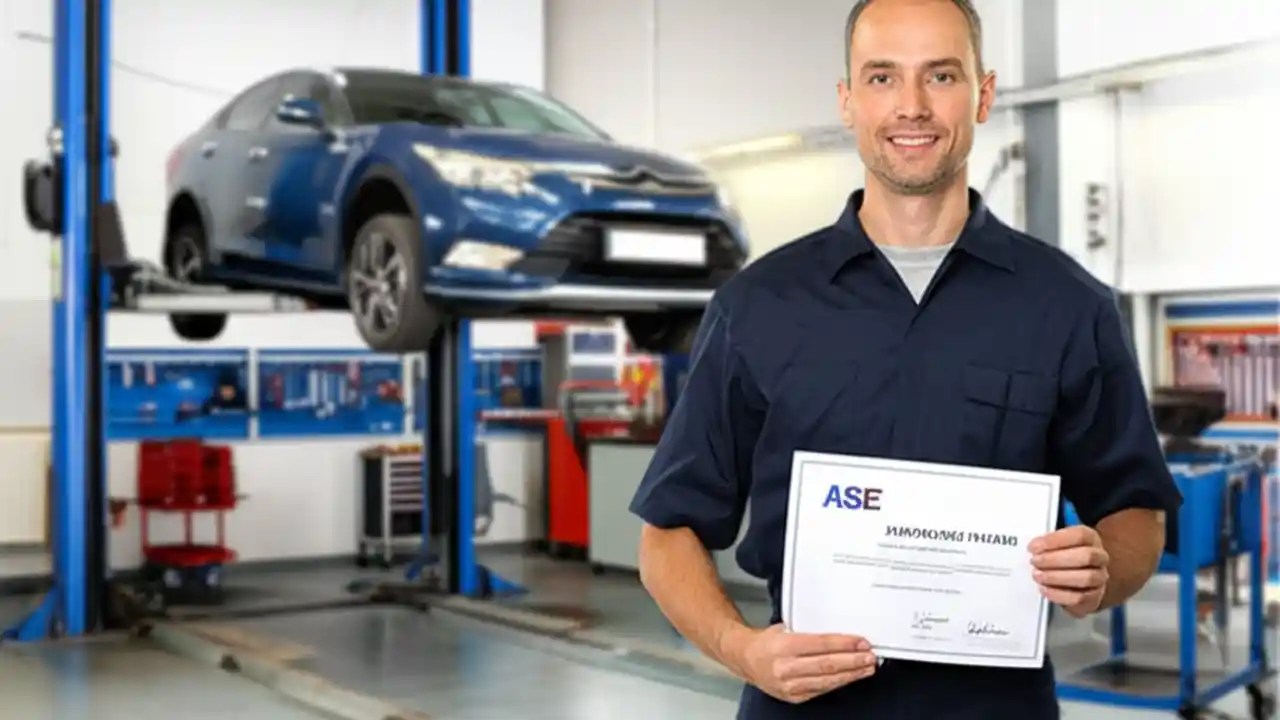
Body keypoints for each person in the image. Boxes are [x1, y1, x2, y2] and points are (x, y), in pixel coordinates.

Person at [628, 1, 1184, 718]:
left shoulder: (1070, 306)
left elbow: (1136, 511)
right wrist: (742, 650)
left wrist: (1099, 575)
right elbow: (666, 533)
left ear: (983, 94)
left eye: (941, 75)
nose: (912, 107)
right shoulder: (756, 307)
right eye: (883, 77)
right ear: (848, 99)